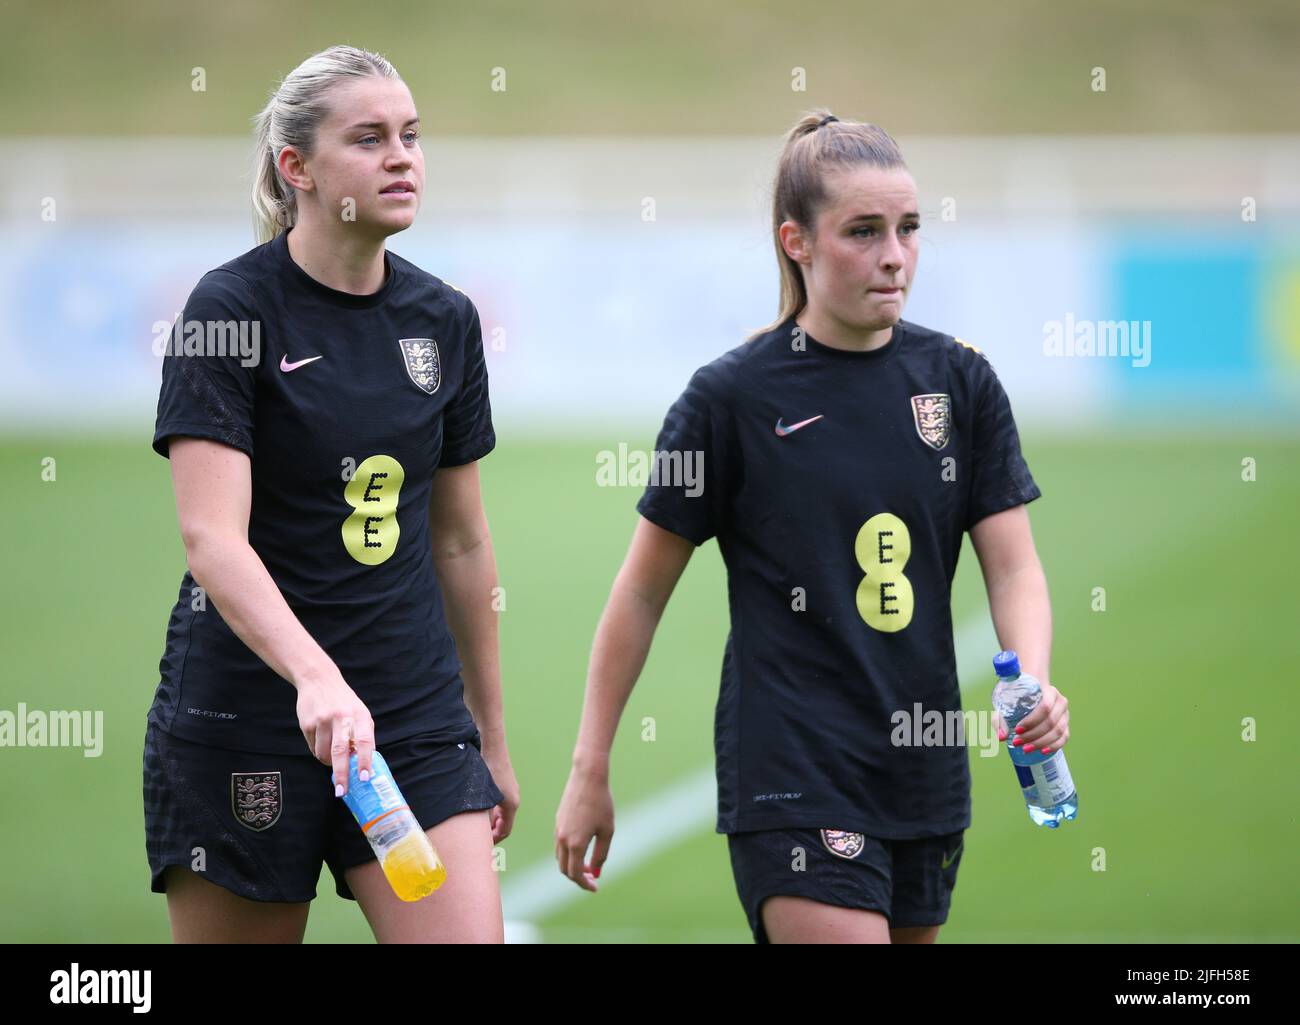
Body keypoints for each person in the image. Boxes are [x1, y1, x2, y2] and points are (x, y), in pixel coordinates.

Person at [555, 110, 1068, 944]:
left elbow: (1013, 570)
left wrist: (1033, 681)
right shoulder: (732, 398)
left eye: (907, 229)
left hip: (923, 759)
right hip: (790, 762)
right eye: (863, 232)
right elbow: (642, 589)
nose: (894, 254)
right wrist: (591, 765)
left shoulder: (961, 382)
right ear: (796, 240)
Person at [144, 45, 519, 944]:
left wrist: (489, 733)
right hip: (251, 717)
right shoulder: (231, 307)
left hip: (414, 720)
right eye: (370, 138)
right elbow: (213, 539)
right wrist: (316, 680)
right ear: (297, 168)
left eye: (412, 136)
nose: (402, 157)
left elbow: (460, 541)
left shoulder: (445, 320)